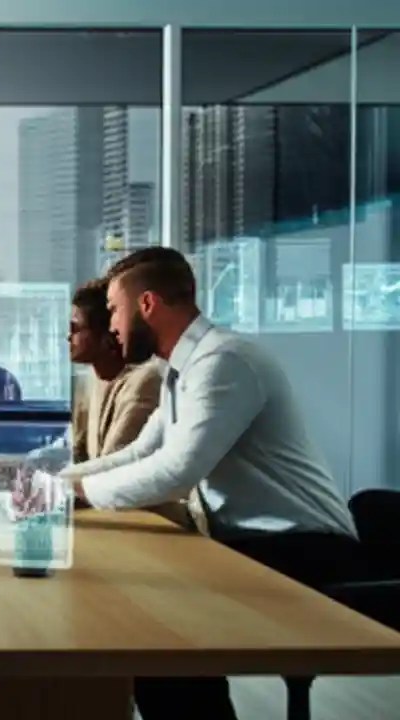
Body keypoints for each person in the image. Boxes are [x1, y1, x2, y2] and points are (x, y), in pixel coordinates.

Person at [59, 247, 358, 720]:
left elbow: (179, 470)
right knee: (146, 618)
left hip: (304, 547)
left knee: (158, 631)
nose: (111, 325)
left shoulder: (225, 361)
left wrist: (73, 493)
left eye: (115, 309)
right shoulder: (182, 368)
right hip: (252, 542)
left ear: (148, 304)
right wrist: (52, 482)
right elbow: (141, 452)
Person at [68, 278, 163, 464]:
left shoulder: (145, 381)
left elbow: (114, 463)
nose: (68, 337)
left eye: (76, 328)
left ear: (107, 335)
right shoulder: (88, 382)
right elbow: (78, 454)